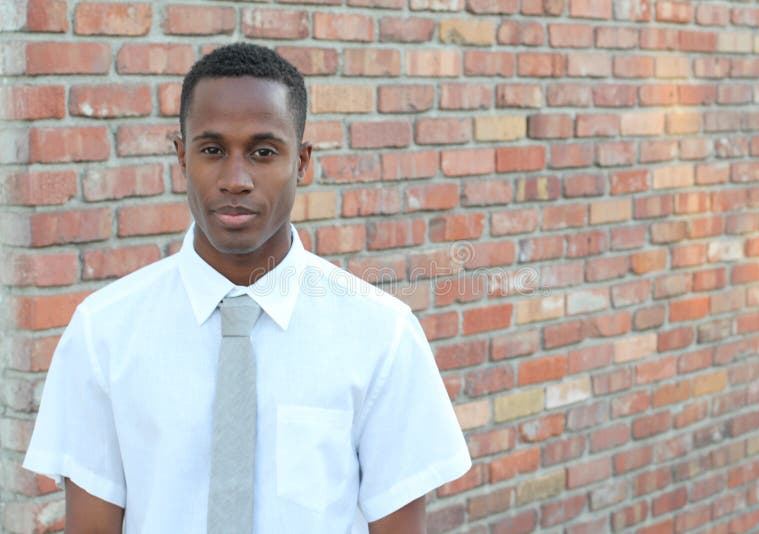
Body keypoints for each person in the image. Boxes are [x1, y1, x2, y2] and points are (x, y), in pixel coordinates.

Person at [23, 43, 472, 533]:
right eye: (213, 150)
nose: (235, 179)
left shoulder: (381, 336)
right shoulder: (103, 333)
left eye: (263, 152)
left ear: (301, 162)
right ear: (181, 156)